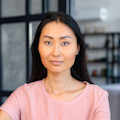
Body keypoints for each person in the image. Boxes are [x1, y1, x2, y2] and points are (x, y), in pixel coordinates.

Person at [0, 11, 110, 120]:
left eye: (65, 43)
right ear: (38, 47)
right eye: (48, 42)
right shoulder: (23, 95)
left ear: (77, 48)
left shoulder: (97, 97)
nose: (56, 52)